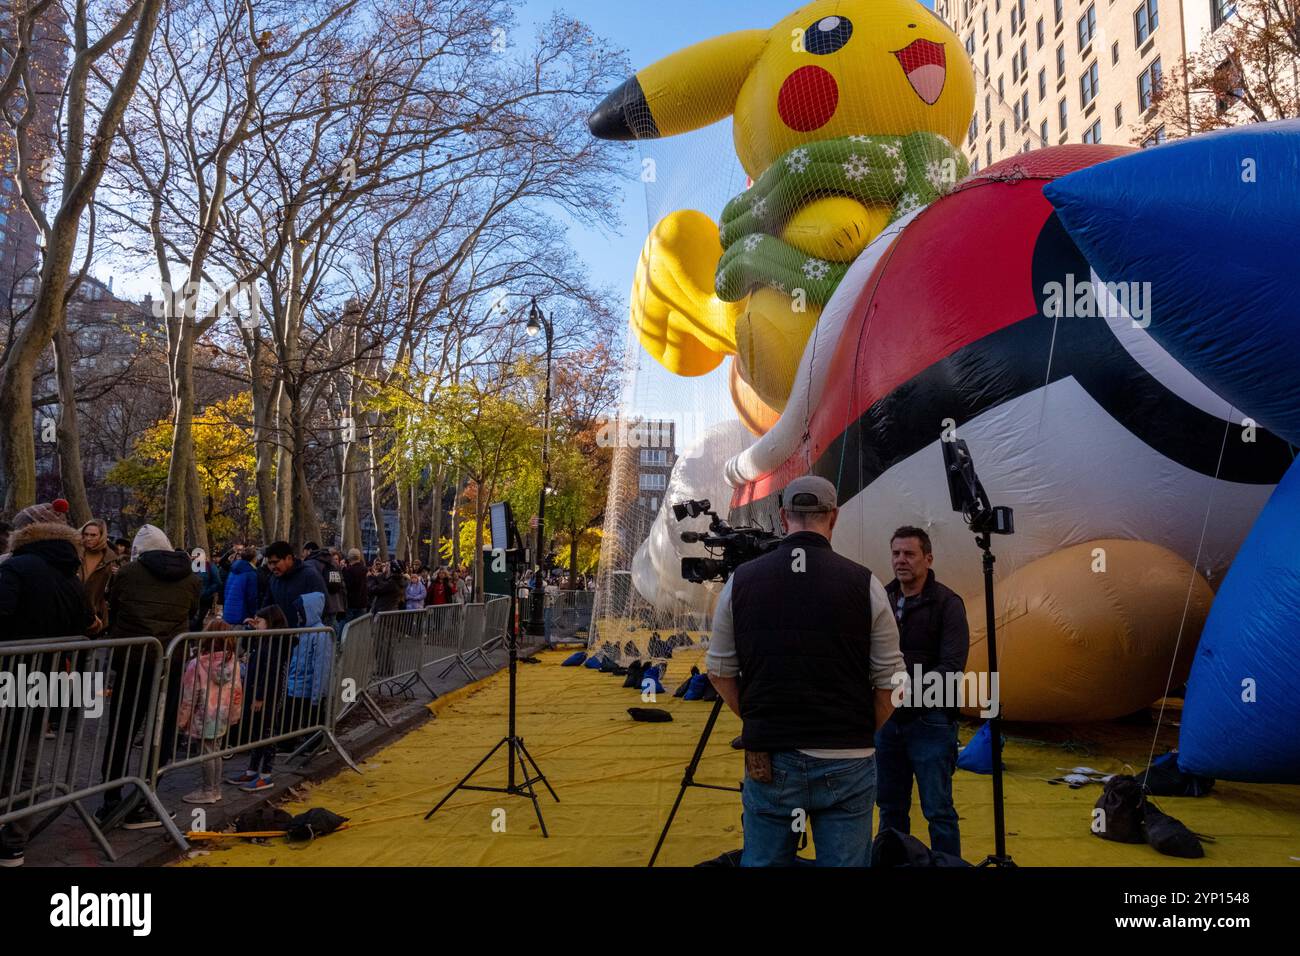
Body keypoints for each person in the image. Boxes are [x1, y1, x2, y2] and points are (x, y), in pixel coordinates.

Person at [706, 475, 904, 867]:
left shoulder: (740, 582)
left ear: (783, 517)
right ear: (834, 517)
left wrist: (761, 719)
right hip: (848, 758)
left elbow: (718, 672)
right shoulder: (866, 584)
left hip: (772, 757)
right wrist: (861, 729)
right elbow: (893, 682)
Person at [0, 518, 94, 866]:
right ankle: (14, 839)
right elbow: (86, 624)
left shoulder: (17, 568)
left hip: (9, 674)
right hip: (48, 680)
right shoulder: (71, 578)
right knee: (25, 758)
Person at [876, 526, 970, 859]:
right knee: (890, 808)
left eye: (909, 553)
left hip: (931, 722)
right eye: (896, 553)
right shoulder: (881, 600)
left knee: (939, 811)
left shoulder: (948, 604)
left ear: (928, 559)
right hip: (888, 723)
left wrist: (903, 692)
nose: (901, 560)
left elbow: (951, 666)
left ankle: (946, 864)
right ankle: (894, 862)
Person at [98, 525, 201, 830]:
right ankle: (145, 797)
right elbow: (193, 613)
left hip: (133, 660)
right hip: (170, 662)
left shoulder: (126, 574)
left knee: (122, 731)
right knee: (162, 734)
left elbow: (114, 609)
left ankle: (112, 799)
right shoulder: (192, 579)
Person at [226, 605, 290, 793]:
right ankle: (252, 769)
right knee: (257, 730)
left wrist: (261, 696)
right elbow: (250, 647)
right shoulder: (263, 639)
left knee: (266, 731)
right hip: (255, 689)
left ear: (270, 622)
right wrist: (252, 628)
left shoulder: (275, 642)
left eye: (260, 621)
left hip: (267, 693)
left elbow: (271, 671)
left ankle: (266, 775)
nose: (257, 624)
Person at [177, 621, 243, 805]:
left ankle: (208, 790)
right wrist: (234, 715)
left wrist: (182, 720)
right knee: (215, 751)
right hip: (222, 714)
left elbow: (189, 696)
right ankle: (215, 788)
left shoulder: (197, 664)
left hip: (203, 715)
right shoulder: (234, 663)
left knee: (206, 752)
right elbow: (237, 692)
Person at [264, 540, 328, 628]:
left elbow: (323, 604)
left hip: (303, 635)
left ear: (289, 558)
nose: (272, 567)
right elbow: (267, 604)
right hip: (280, 635)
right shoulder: (273, 579)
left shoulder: (310, 575)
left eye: (275, 562)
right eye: (269, 563)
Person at [78, 519, 124, 636]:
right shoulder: (75, 553)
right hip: (73, 609)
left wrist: (118, 575)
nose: (88, 538)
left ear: (102, 536)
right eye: (86, 534)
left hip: (96, 612)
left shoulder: (111, 559)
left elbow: (115, 589)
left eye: (93, 535)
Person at [222, 546, 260, 625]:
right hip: (242, 615)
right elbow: (252, 597)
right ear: (254, 558)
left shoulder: (232, 571)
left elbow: (226, 591)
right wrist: (254, 614)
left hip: (228, 612)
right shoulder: (250, 574)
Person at [341, 548, 368, 623]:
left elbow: (347, 585)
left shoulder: (349, 571)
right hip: (363, 603)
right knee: (358, 627)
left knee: (346, 626)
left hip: (351, 603)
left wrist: (343, 570)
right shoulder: (365, 570)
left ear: (349, 558)